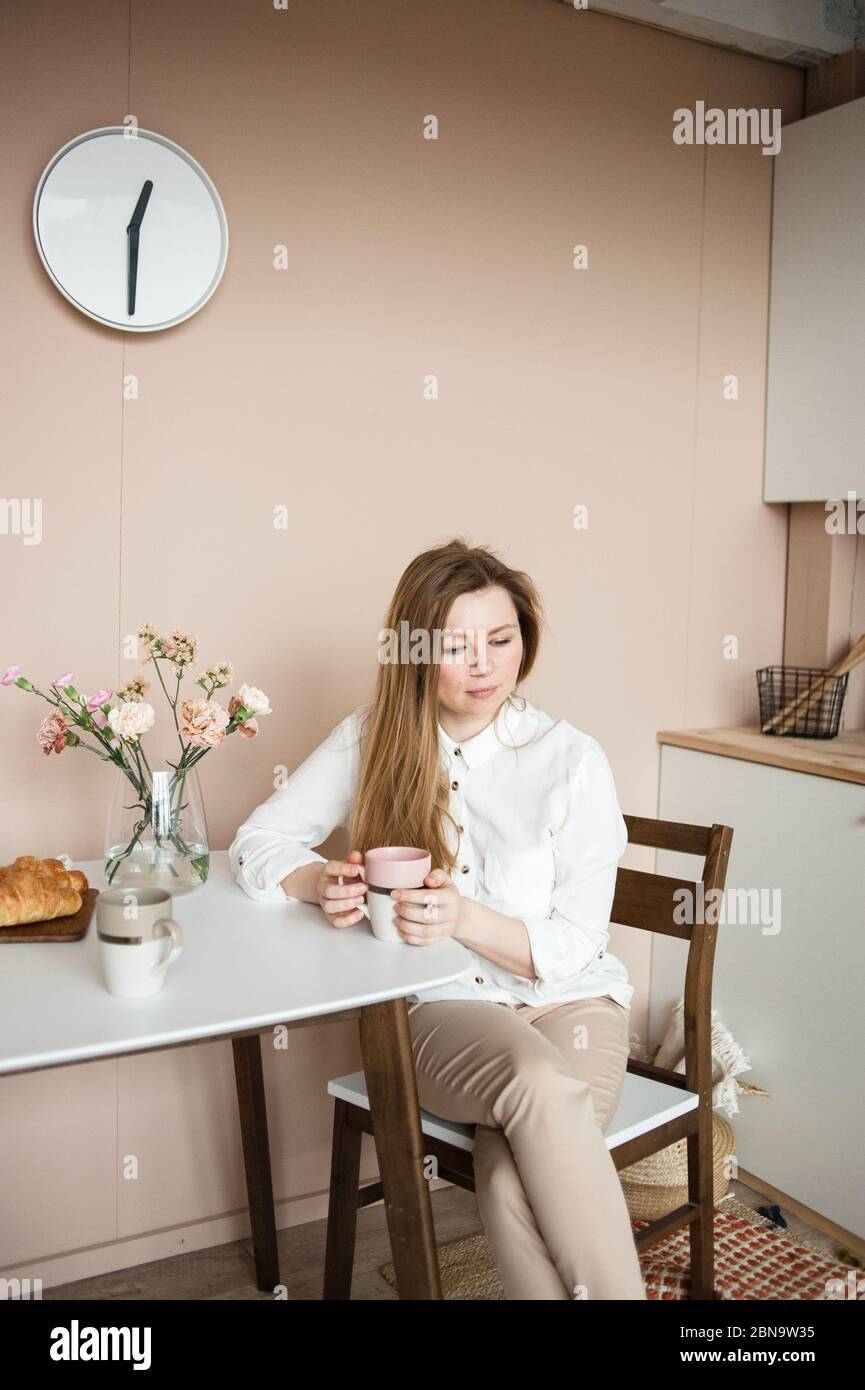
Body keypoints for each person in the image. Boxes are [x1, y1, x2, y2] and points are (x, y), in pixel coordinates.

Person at [229, 537, 646, 1300]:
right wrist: (316, 877)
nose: (485, 664)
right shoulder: (373, 738)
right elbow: (256, 841)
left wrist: (464, 915)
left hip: (573, 1003)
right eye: (457, 646)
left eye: (501, 639)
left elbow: (576, 944)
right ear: (416, 652)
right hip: (447, 1007)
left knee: (510, 1168)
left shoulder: (570, 759)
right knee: (539, 1093)